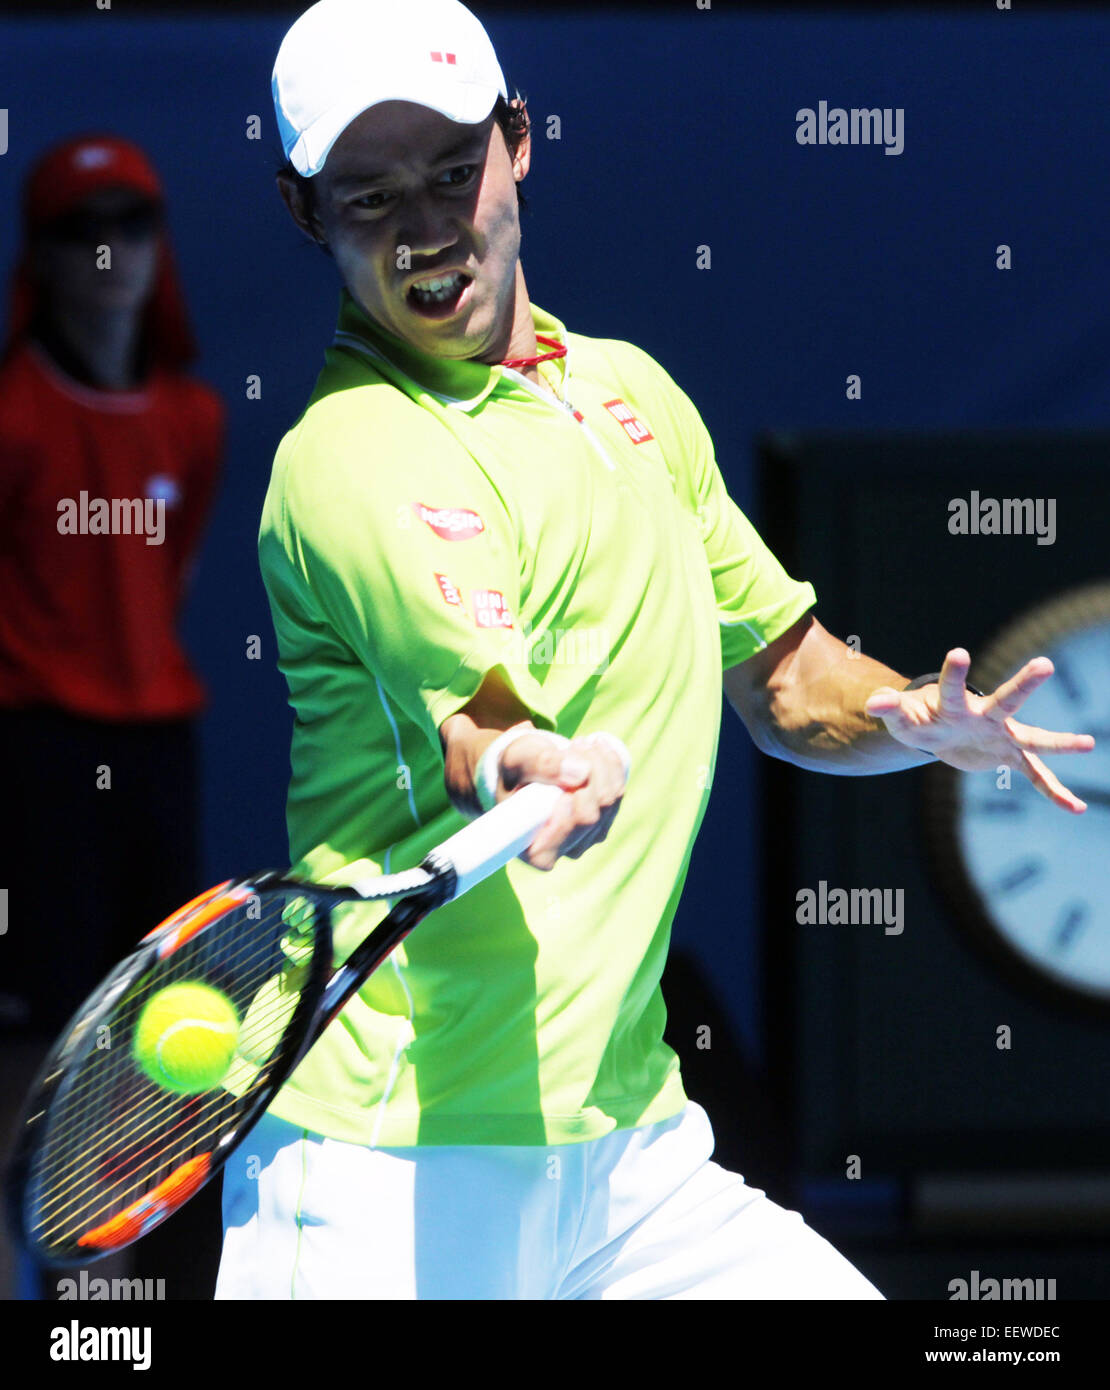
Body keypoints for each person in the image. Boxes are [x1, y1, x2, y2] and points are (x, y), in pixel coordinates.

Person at [216, 0, 1093, 1300]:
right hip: (386, 1164)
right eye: (367, 196)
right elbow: (474, 700)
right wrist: (527, 756)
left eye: (453, 172)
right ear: (307, 214)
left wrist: (908, 713)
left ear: (519, 143)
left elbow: (788, 679)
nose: (423, 229)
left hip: (630, 1152)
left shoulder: (630, 394)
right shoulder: (350, 454)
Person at [0, 133, 224, 1297]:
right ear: (39, 253)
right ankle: (35, 1283)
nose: (115, 250)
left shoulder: (193, 421)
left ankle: (115, 1286)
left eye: (136, 222)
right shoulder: (14, 418)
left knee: (156, 1032)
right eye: (87, 224)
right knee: (42, 1040)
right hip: (35, 757)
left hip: (155, 756)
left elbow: (167, 574)